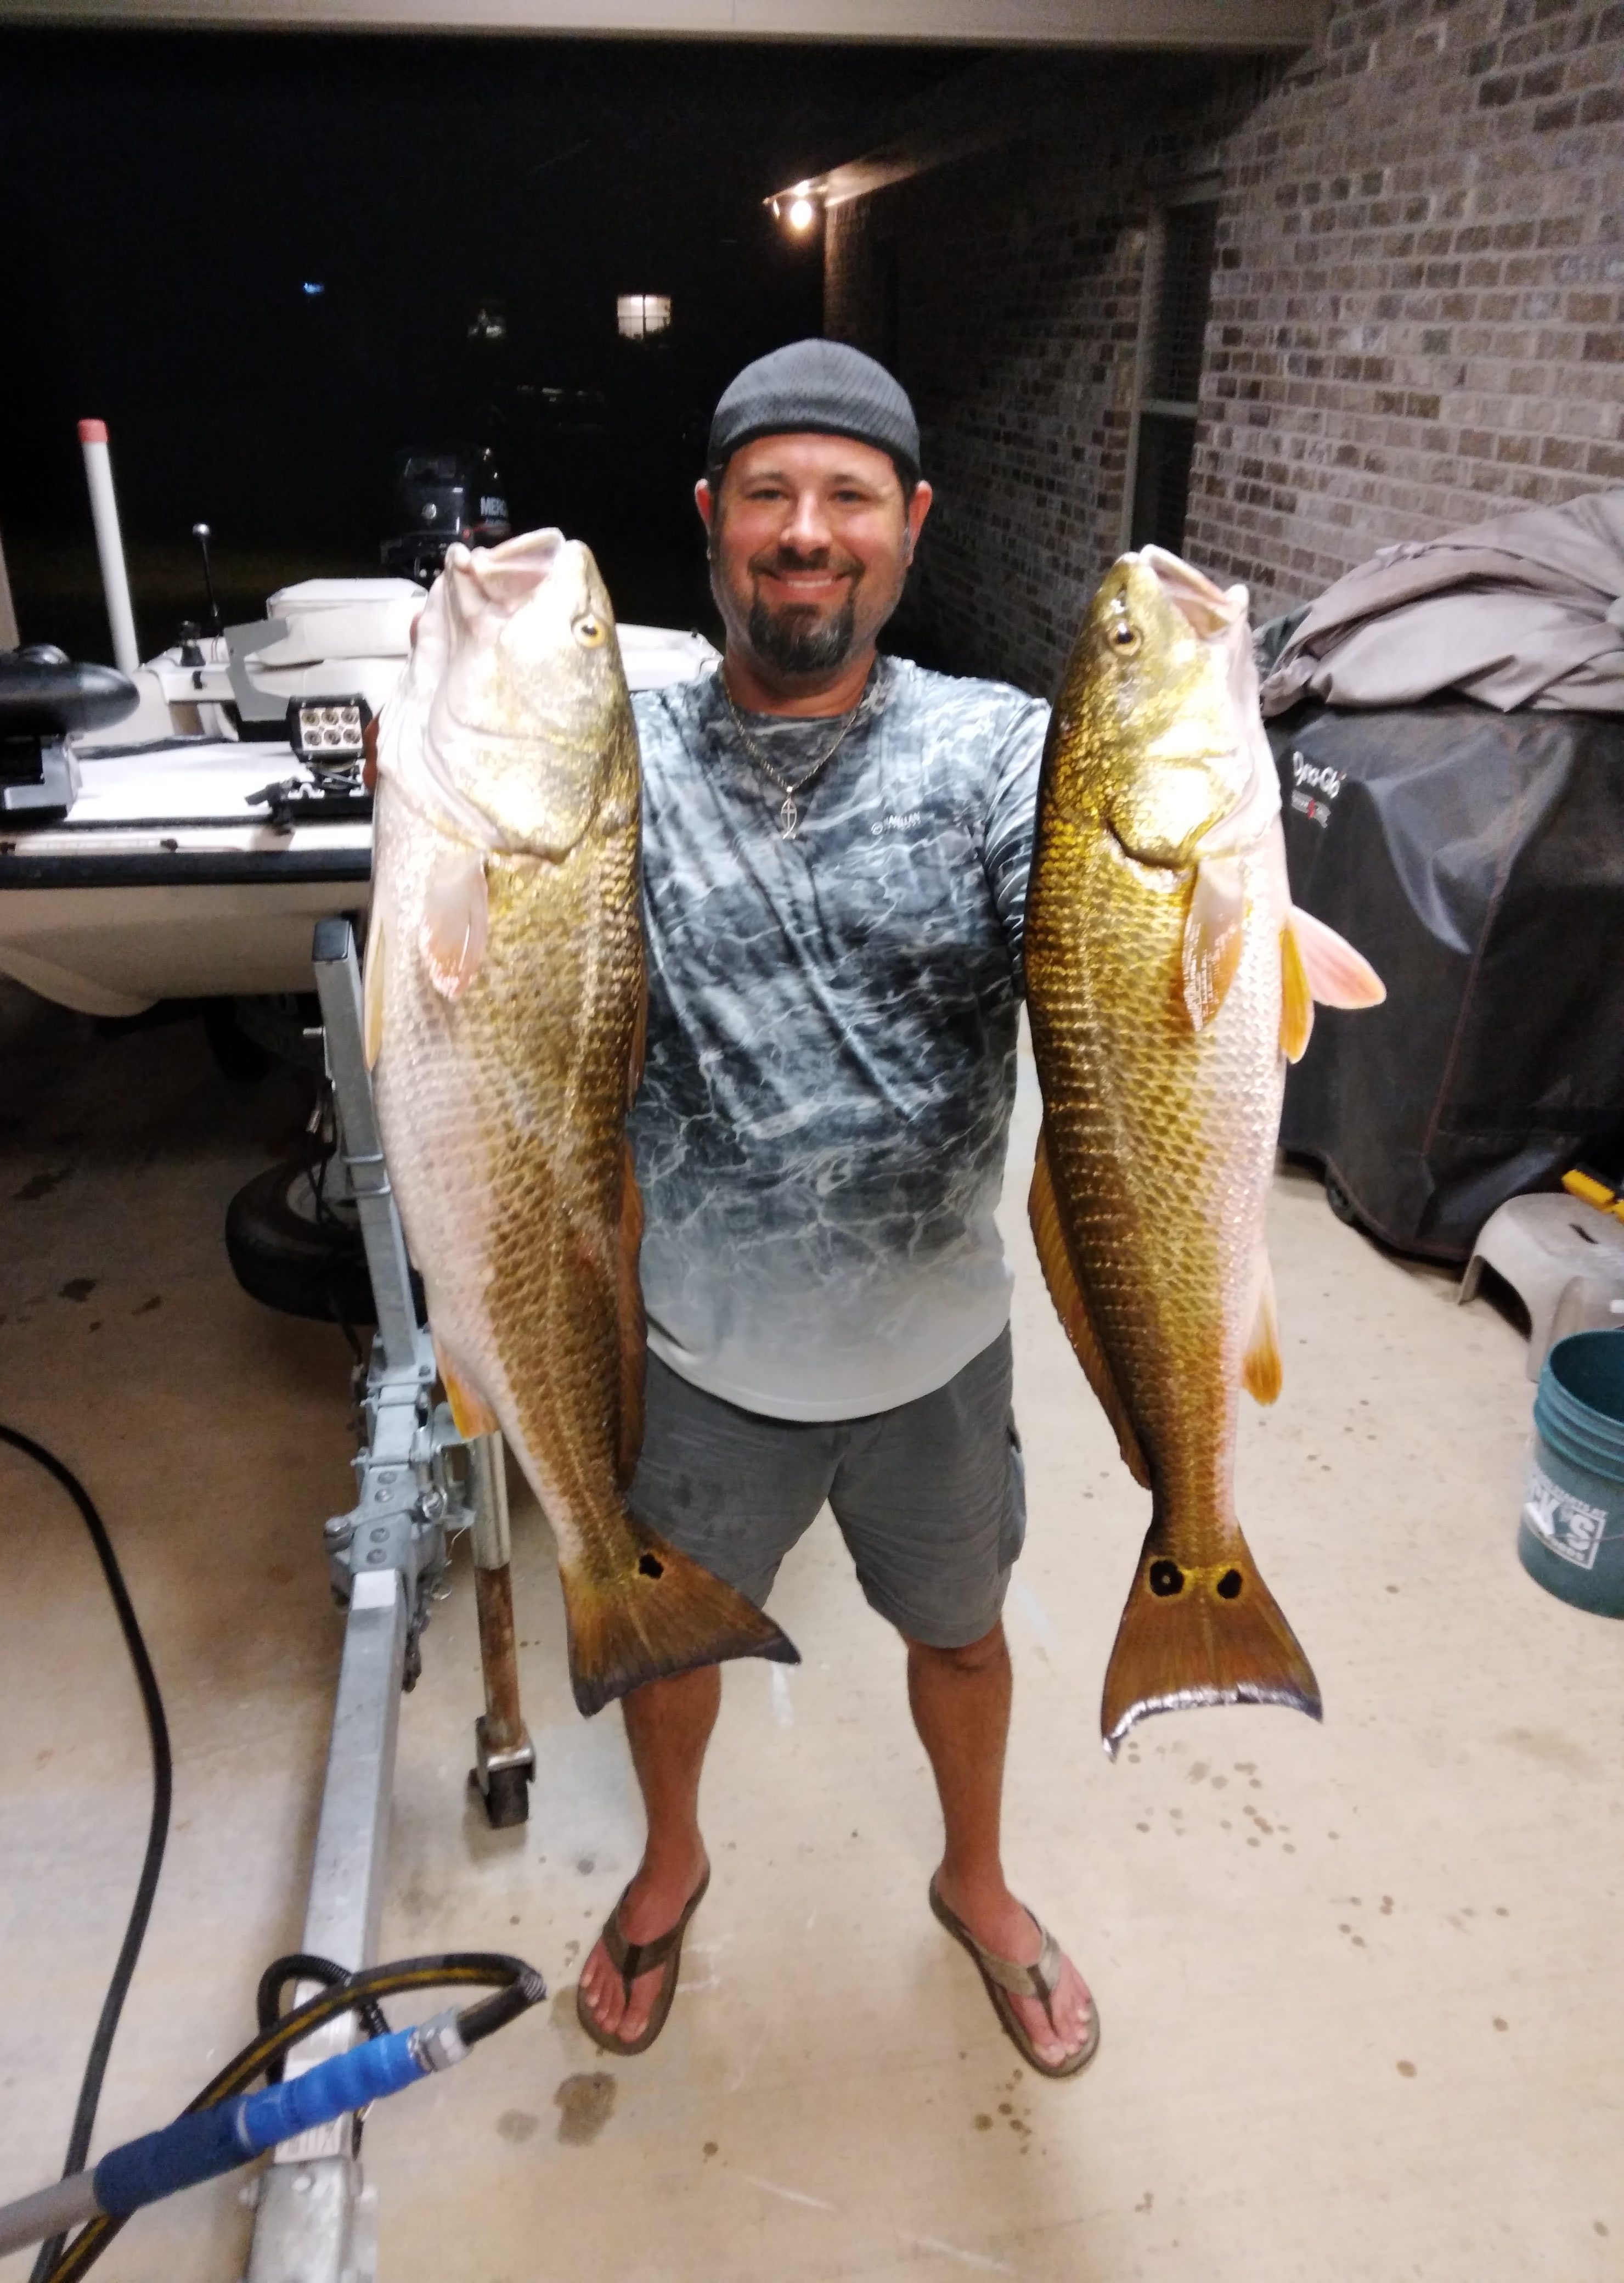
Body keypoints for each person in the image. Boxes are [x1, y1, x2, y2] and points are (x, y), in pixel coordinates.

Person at [571, 340, 1097, 2079]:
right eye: (771, 496)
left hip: (936, 1348)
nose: (808, 533)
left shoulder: (1001, 752)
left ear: (911, 524)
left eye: (848, 496)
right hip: (697, 1349)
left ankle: (979, 1878)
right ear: (714, 523)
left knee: (958, 1631)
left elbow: (1113, 941)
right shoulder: (608, 766)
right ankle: (672, 1854)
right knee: (670, 1640)